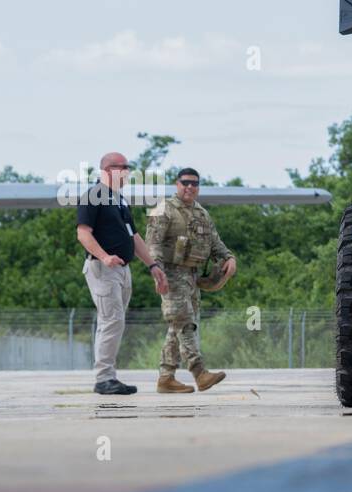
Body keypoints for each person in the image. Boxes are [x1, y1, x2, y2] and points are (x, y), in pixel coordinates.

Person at [76, 152, 168, 395]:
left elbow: (133, 236)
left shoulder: (119, 200)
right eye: (123, 167)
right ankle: (104, 378)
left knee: (115, 322)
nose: (127, 172)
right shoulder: (93, 196)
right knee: (111, 321)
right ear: (107, 170)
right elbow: (83, 232)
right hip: (103, 268)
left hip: (122, 270)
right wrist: (105, 256)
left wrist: (153, 265)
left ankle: (109, 376)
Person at [145, 168, 235, 393]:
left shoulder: (202, 214)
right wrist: (156, 270)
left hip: (192, 278)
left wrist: (229, 258)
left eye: (194, 183)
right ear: (177, 184)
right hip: (171, 274)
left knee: (177, 326)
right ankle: (200, 373)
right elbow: (153, 244)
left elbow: (215, 243)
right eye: (185, 182)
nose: (189, 187)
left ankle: (166, 378)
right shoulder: (163, 209)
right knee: (184, 322)